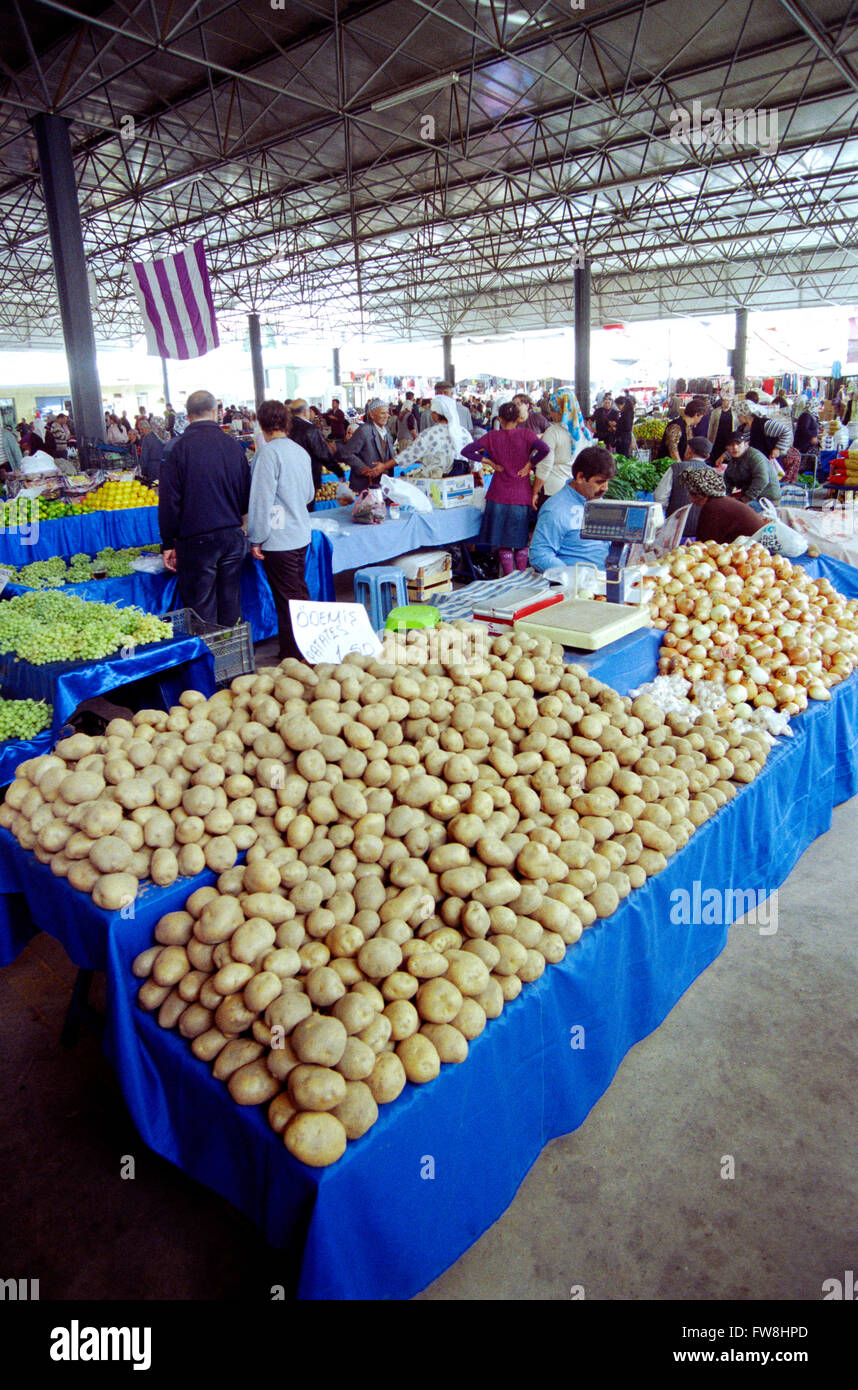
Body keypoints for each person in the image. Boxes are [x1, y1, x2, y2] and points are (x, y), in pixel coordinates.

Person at [158, 388, 250, 626]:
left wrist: (168, 543)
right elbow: (246, 493)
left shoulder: (176, 449)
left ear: (187, 416)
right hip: (232, 536)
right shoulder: (233, 447)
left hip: (196, 541)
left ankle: (208, 660)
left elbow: (169, 501)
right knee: (231, 603)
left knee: (201, 609)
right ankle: (231, 658)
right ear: (216, 412)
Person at [247, 400, 314, 663]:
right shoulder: (299, 451)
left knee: (287, 600)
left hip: (279, 540)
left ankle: (299, 654)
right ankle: (294, 649)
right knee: (298, 593)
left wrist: (256, 536)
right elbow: (309, 494)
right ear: (286, 422)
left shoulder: (268, 453)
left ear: (261, 424)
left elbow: (261, 500)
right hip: (300, 535)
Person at [461, 402, 549, 574]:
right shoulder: (526, 434)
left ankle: (509, 577)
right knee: (521, 540)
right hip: (520, 493)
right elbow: (544, 449)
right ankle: (522, 575)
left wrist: (490, 462)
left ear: (499, 418)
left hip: (498, 494)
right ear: (518, 418)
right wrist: (530, 463)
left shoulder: (492, 436)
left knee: (502, 541)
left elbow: (467, 451)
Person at [529, 445, 618, 572]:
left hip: (605, 579)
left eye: (607, 482)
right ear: (580, 477)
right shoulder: (555, 509)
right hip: (577, 586)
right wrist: (573, 576)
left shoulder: (595, 500)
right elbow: (540, 555)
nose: (605, 488)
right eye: (599, 482)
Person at [680, 467, 765, 544]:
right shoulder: (721, 502)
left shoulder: (711, 508)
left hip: (756, 548)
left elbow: (705, 546)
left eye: (690, 493)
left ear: (699, 495)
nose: (690, 498)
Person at [393, 395, 470, 477]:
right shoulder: (463, 432)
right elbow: (474, 458)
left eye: (432, 411)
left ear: (437, 414)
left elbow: (409, 454)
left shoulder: (429, 434)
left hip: (435, 482)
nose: (431, 413)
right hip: (460, 480)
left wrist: (385, 466)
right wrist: (479, 476)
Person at [654, 436, 713, 538]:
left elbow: (660, 497)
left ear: (689, 450)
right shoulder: (714, 473)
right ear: (707, 456)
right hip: (701, 530)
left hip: (675, 529)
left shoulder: (676, 467)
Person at [290, 398, 345, 503]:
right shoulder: (310, 429)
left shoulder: (285, 428)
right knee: (307, 511)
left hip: (290, 478)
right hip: (309, 477)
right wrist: (338, 471)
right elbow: (323, 454)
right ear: (306, 412)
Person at [339, 398, 397, 491]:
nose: (386, 416)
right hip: (365, 484)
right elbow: (347, 453)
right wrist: (363, 468)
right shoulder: (364, 430)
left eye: (387, 413)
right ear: (372, 415)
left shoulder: (387, 431)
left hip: (383, 483)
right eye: (383, 413)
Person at [722, 432, 781, 507]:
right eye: (731, 445)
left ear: (746, 444)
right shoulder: (733, 461)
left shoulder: (755, 457)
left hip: (767, 499)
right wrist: (723, 496)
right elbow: (728, 481)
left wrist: (745, 500)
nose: (735, 448)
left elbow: (762, 479)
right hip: (751, 497)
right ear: (726, 448)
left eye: (738, 444)